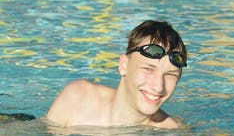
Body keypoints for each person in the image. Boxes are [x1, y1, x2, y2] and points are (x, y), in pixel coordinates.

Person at [46, 20, 187, 129]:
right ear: (123, 66)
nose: (158, 87)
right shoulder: (77, 98)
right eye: (148, 69)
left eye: (170, 75)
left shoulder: (169, 133)